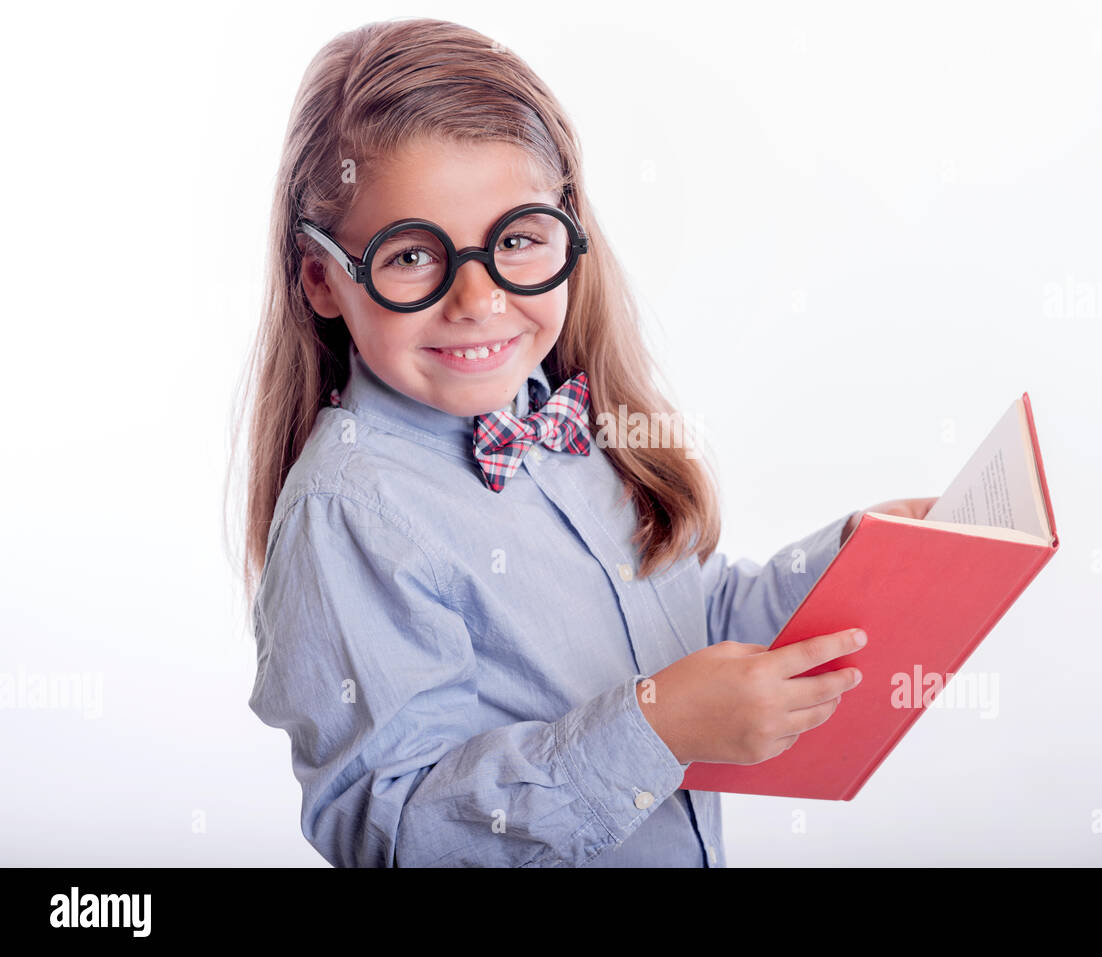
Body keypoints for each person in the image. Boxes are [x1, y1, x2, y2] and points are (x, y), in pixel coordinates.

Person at [232, 17, 935, 867]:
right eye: (412, 255)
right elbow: (399, 834)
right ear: (323, 280)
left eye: (517, 240)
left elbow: (693, 633)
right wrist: (656, 725)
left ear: (568, 233)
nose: (478, 298)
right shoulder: (351, 511)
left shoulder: (574, 422)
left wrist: (850, 565)